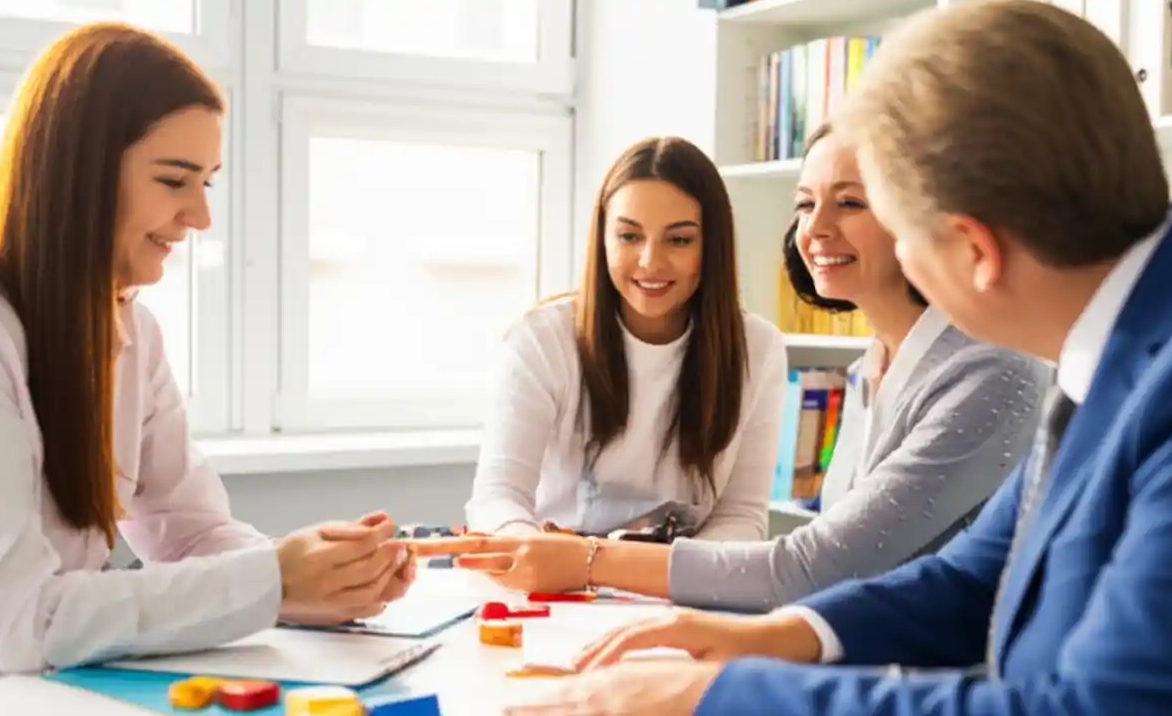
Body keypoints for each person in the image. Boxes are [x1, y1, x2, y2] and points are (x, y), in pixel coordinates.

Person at [499, 1, 1172, 715]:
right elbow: (975, 574)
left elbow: (1108, 708)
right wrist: (778, 636)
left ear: (974, 249)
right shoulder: (1118, 338)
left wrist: (719, 696)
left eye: (888, 220)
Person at [417, 125, 1048, 611]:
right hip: (843, 638)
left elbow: (804, 561)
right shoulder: (873, 367)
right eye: (805, 204)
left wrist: (589, 560)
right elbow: (830, 567)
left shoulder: (986, 369)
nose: (816, 228)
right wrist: (554, 556)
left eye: (850, 202)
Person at [0, 23, 413, 690]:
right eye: (175, 180)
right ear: (78, 175)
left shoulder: (130, 330)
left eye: (208, 182)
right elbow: (23, 621)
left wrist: (325, 574)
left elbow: (190, 534)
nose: (200, 217)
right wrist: (276, 579)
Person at [464, 136, 787, 541]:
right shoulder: (541, 340)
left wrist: (671, 574)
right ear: (603, 238)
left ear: (712, 246)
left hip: (679, 586)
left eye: (679, 240)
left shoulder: (758, 350)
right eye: (629, 236)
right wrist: (533, 546)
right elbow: (497, 496)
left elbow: (741, 515)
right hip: (555, 582)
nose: (650, 261)